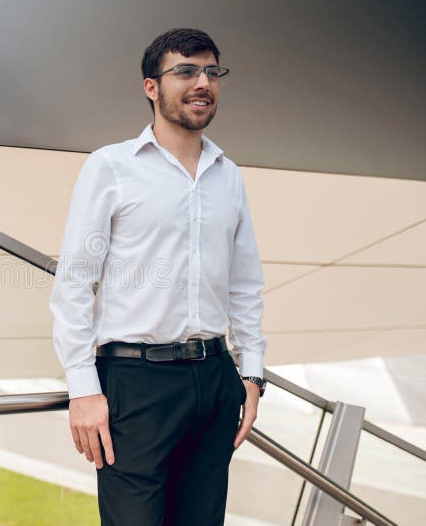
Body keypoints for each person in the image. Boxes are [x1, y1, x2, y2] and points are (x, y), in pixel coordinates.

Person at [48, 28, 268, 525]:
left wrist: (251, 373)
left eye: (211, 72)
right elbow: (75, 283)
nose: (202, 83)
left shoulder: (227, 174)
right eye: (186, 71)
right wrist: (83, 389)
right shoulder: (111, 167)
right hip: (135, 384)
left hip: (215, 381)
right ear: (152, 87)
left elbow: (245, 284)